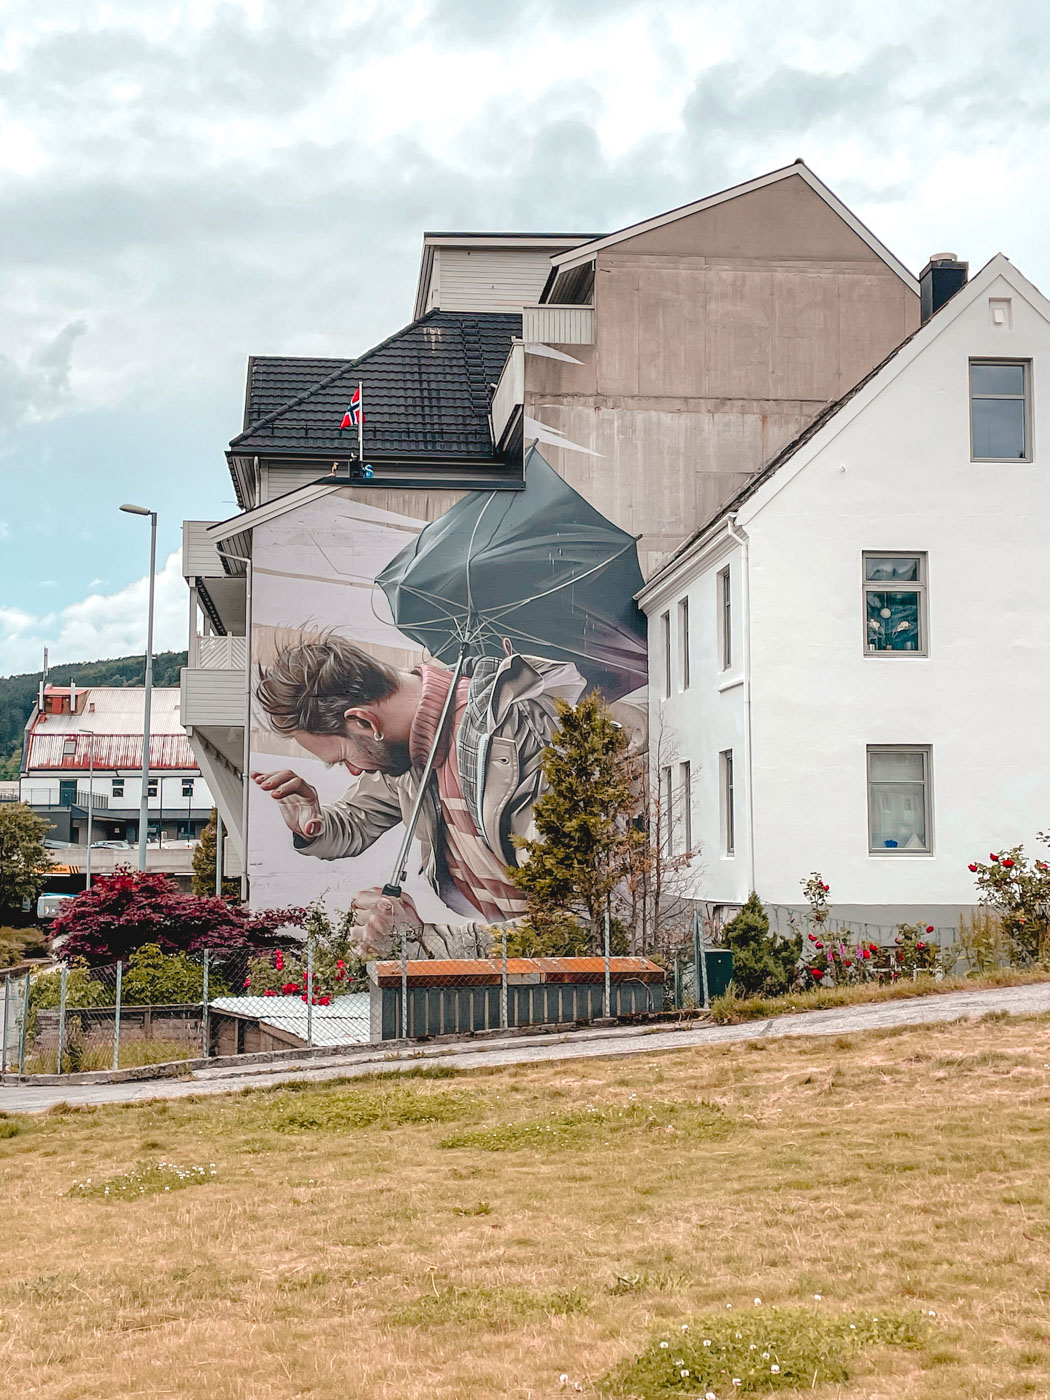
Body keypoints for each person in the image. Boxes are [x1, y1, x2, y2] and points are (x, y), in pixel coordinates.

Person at [251, 632, 588, 958]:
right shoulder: (407, 751)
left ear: (365, 722)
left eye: (344, 758)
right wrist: (315, 823)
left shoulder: (519, 735)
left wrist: (424, 942)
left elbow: (577, 923)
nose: (354, 772)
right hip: (514, 960)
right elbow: (357, 819)